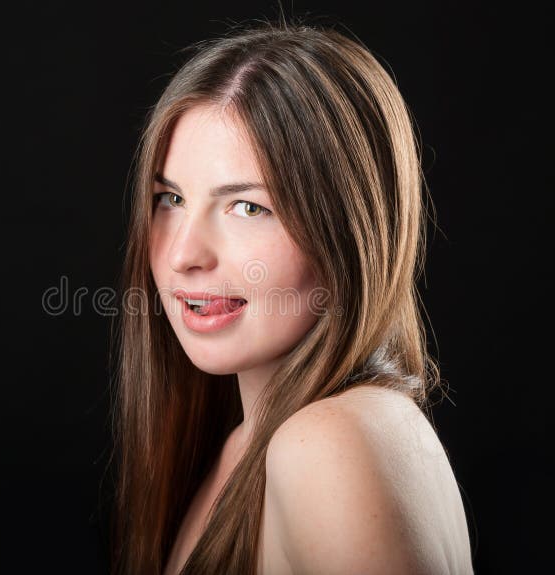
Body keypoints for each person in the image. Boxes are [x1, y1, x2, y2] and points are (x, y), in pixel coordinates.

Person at [108, 15, 474, 575]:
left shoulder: (331, 445)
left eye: (248, 207)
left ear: (349, 233)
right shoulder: (243, 444)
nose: (184, 254)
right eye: (170, 199)